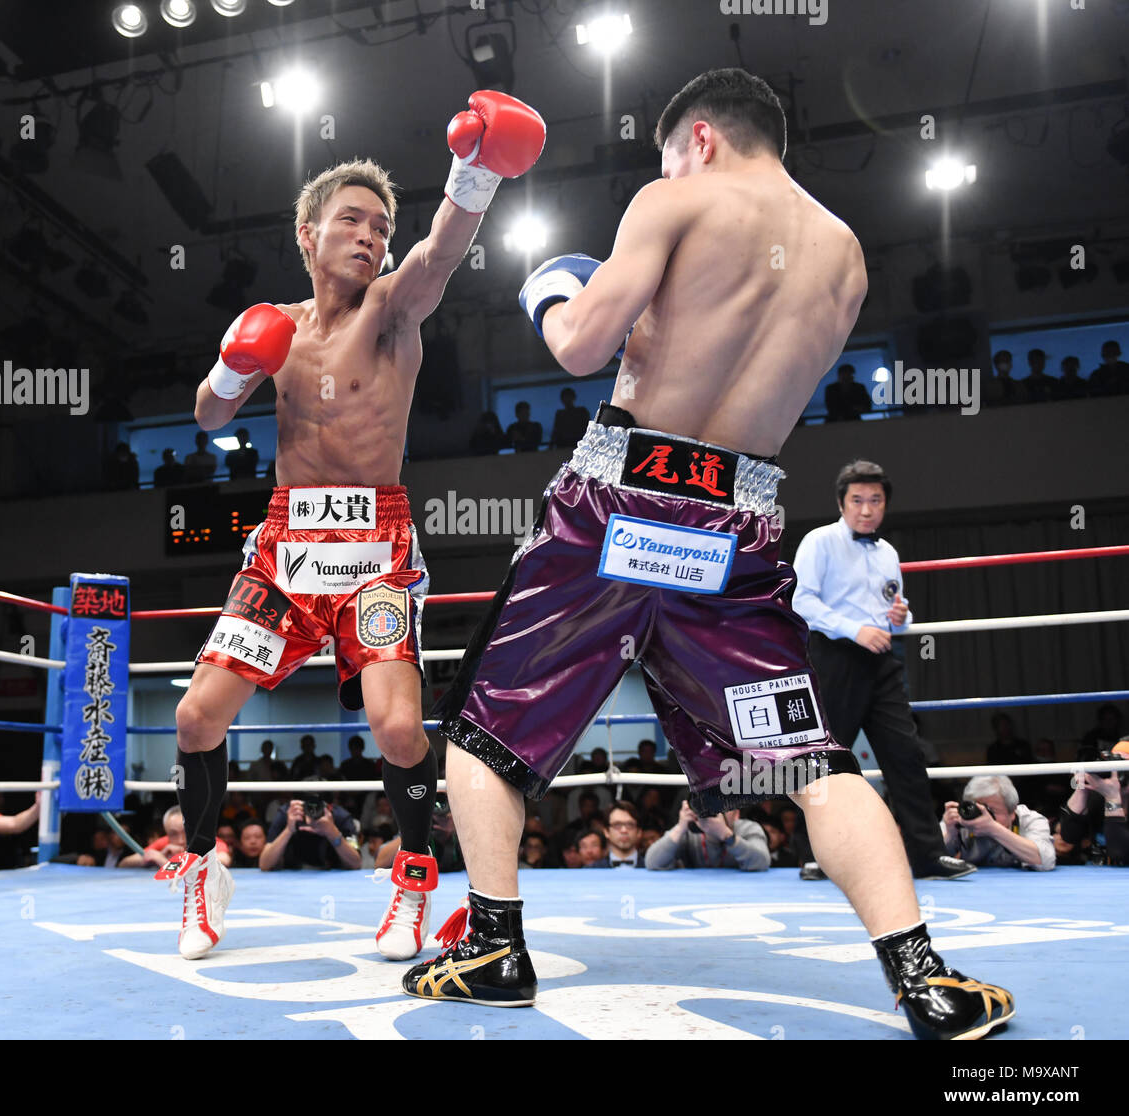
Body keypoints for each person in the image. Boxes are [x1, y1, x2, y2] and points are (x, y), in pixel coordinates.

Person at [403, 68, 1012, 1040]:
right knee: (812, 763)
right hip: (735, 531)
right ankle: (924, 978)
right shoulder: (846, 255)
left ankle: (495, 944)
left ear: (696, 137)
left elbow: (578, 345)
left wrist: (551, 289)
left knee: (482, 731)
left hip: (614, 508)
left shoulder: (675, 195)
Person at [163, 93, 546, 962]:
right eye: (351, 221)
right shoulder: (275, 328)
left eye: (379, 224)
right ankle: (199, 870)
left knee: (400, 728)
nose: (370, 236)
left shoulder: (393, 312)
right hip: (286, 549)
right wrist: (232, 368)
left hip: (376, 550)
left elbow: (441, 252)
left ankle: (414, 877)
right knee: (194, 717)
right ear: (307, 233)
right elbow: (205, 416)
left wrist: (475, 171)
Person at [791, 460, 974, 881]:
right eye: (858, 500)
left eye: (875, 500)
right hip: (833, 657)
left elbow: (893, 617)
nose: (867, 509)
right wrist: (855, 630)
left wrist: (900, 616)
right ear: (842, 502)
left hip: (883, 662)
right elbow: (802, 602)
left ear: (885, 503)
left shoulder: (888, 551)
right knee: (826, 760)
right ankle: (817, 855)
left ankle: (927, 856)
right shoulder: (820, 542)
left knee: (906, 756)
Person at [941, 776, 1055, 871]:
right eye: (978, 808)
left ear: (1012, 812)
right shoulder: (959, 818)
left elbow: (1046, 862)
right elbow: (931, 862)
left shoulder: (1030, 820)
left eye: (991, 810)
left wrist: (993, 829)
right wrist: (951, 835)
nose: (983, 816)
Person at [1060, 738, 1129, 866]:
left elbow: (1120, 854)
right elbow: (1069, 836)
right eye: (1113, 762)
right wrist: (1082, 788)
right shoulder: (1098, 797)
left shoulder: (1109, 795)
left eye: (1122, 764)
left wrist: (1113, 799)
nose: (1116, 771)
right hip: (1096, 874)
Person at [645, 801, 770, 870]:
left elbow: (762, 863)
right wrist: (680, 827)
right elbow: (652, 863)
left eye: (725, 807)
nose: (717, 812)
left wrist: (726, 835)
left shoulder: (748, 828)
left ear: (736, 814)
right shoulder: (690, 831)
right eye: (712, 806)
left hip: (741, 894)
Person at [261, 798, 361, 871]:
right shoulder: (287, 814)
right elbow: (264, 864)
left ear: (328, 806)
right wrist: (288, 830)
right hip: (292, 878)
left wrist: (332, 833)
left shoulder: (340, 817)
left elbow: (356, 863)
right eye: (308, 806)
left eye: (318, 805)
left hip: (333, 877)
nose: (313, 811)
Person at [584, 801, 646, 868]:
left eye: (630, 825)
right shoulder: (591, 870)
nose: (624, 830)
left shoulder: (654, 870)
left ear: (639, 832)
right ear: (606, 832)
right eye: (617, 825)